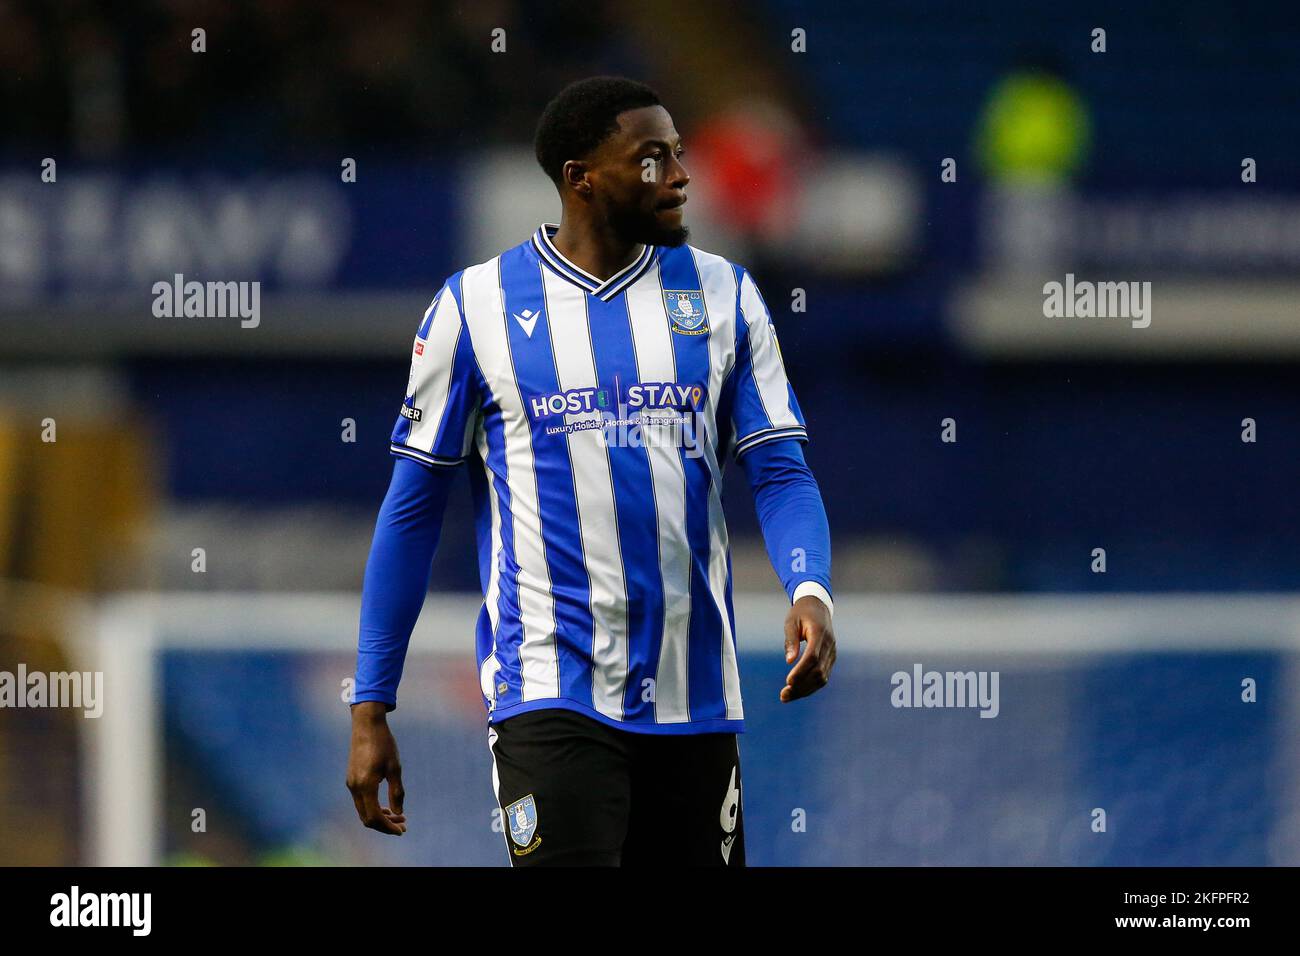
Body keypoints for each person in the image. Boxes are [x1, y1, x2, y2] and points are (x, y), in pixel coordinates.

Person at [346, 76, 835, 866]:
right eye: (652, 160)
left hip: (696, 697)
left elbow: (779, 469)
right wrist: (372, 705)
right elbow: (412, 510)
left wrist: (809, 589)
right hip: (549, 690)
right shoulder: (475, 308)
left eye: (679, 155)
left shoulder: (726, 296)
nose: (680, 176)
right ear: (581, 179)